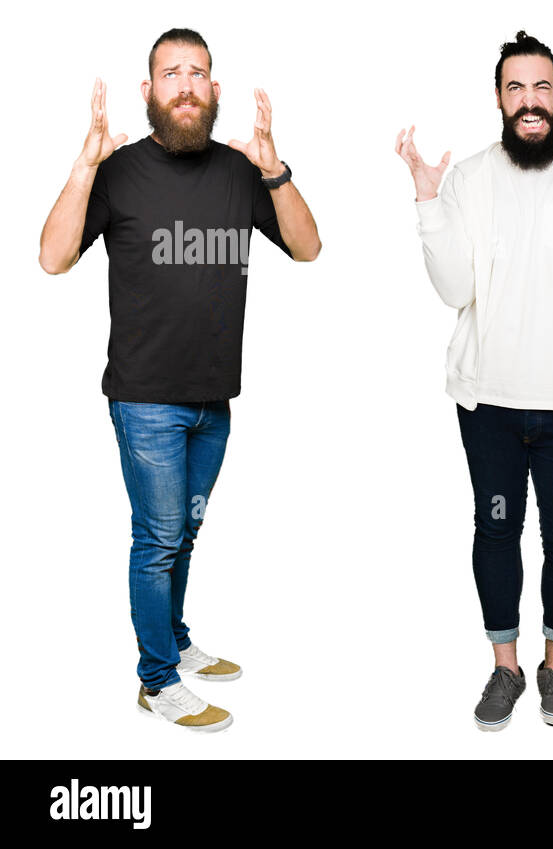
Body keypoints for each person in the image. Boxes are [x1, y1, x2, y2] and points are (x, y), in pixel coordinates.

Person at [38, 28, 322, 732]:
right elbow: (51, 258)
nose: (187, 84)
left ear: (215, 90)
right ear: (149, 91)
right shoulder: (117, 170)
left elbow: (309, 248)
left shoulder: (239, 169)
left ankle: (176, 638)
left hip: (214, 400)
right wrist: (82, 165)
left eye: (198, 73)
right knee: (157, 538)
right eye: (172, 73)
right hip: (146, 401)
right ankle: (156, 679)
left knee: (184, 533)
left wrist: (275, 170)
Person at [396, 31, 553, 731]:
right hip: (491, 407)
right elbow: (452, 289)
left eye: (542, 88)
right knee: (497, 532)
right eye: (516, 88)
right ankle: (506, 667)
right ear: (499, 99)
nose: (530, 102)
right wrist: (426, 202)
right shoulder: (470, 178)